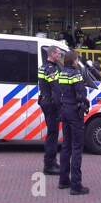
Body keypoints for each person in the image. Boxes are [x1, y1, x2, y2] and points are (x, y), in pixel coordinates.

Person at [56, 50, 90, 195]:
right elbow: (81, 94)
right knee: (77, 148)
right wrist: (85, 101)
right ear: (74, 60)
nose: (77, 62)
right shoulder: (76, 74)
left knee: (66, 146)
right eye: (77, 59)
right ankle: (76, 185)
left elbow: (57, 93)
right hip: (75, 113)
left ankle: (63, 180)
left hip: (64, 111)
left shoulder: (61, 73)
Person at [38, 46, 63, 176]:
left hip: (46, 101)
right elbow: (56, 89)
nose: (60, 56)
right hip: (51, 104)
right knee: (52, 134)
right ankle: (49, 165)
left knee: (52, 133)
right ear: (52, 54)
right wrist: (61, 107)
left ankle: (52, 162)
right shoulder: (51, 69)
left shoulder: (44, 67)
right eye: (59, 54)